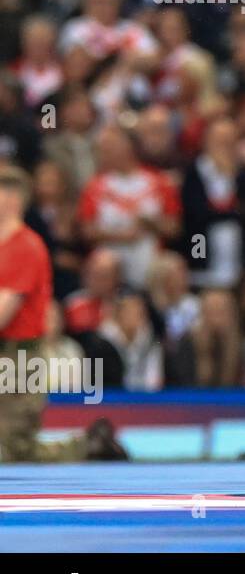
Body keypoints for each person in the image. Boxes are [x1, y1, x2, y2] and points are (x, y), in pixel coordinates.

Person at [0, 165, 125, 461]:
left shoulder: (26, 247)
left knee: (11, 449)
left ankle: (87, 447)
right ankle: (89, 445)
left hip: (18, 361)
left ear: (12, 199)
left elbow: (4, 311)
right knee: (13, 449)